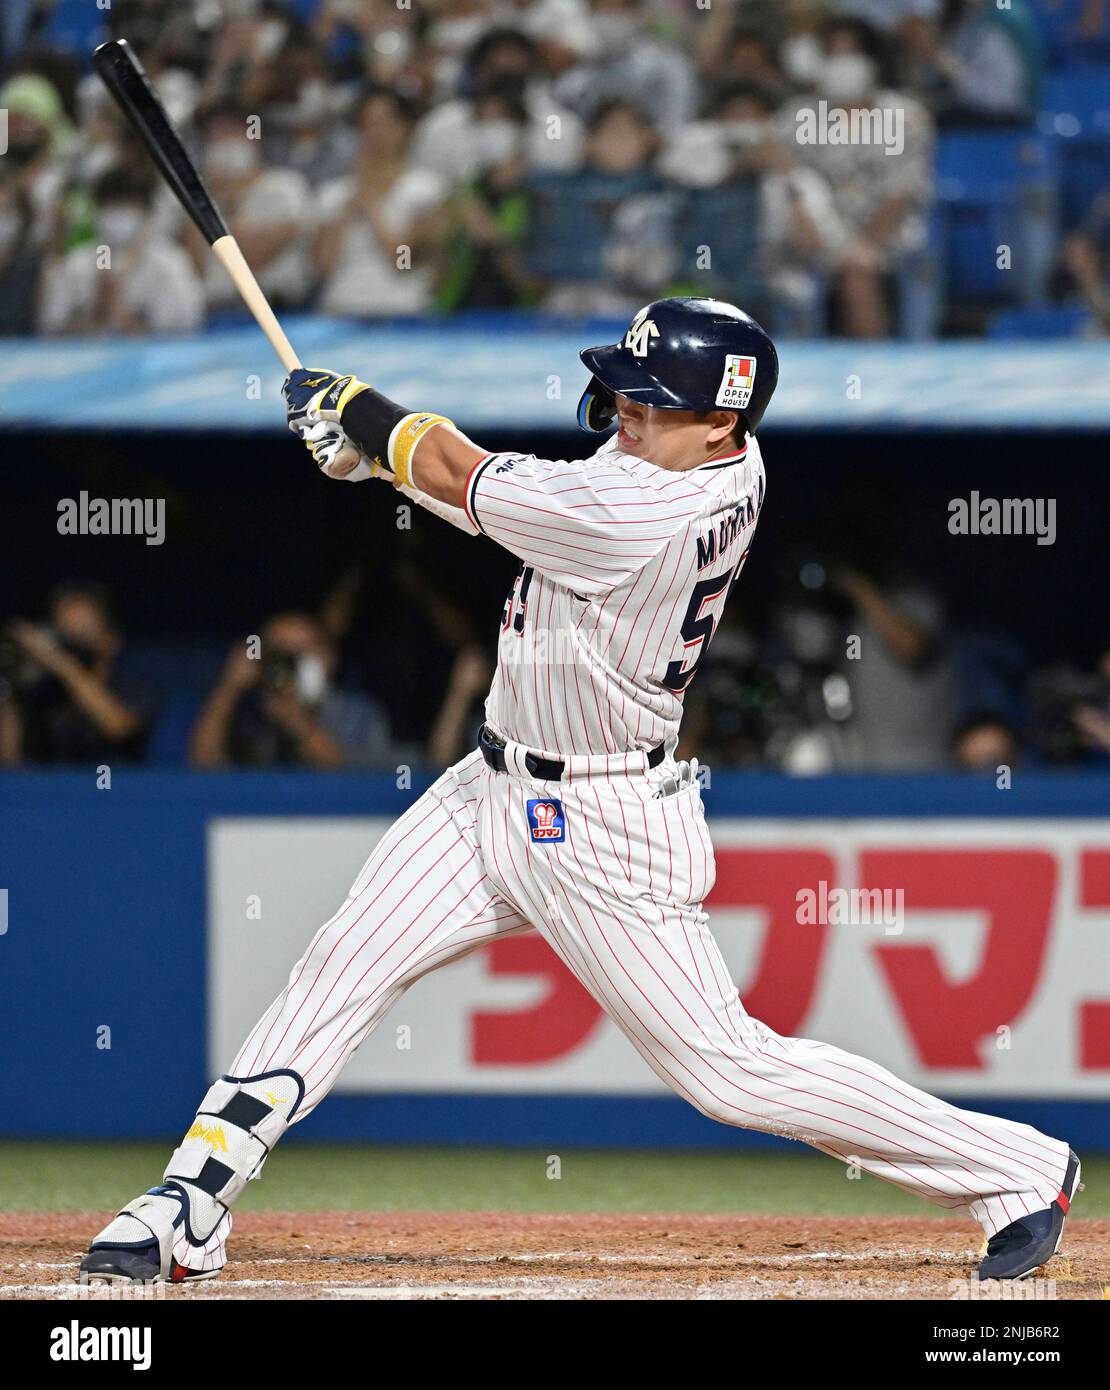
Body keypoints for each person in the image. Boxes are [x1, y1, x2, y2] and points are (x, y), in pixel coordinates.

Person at [81, 298, 1078, 1288]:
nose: (624, 411)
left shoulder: (650, 509)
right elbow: (503, 492)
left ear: (721, 421)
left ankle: (1017, 1169)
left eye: (651, 400)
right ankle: (188, 1201)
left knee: (728, 1071)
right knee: (337, 969)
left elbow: (470, 477)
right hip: (489, 787)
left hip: (602, 824)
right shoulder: (687, 456)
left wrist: (363, 414)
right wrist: (372, 455)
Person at [189, 612, 392, 771]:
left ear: (329, 657)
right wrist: (229, 688)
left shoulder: (357, 713)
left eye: (301, 649)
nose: (289, 661)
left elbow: (356, 782)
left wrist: (296, 721)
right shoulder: (246, 709)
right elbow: (205, 766)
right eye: (280, 651)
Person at [0, 583, 150, 766]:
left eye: (81, 631)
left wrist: (59, 662)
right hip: (50, 791)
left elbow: (117, 726)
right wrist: (9, 684)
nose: (68, 641)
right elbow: (10, 761)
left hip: (116, 789)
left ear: (111, 641)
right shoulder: (43, 692)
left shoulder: (134, 683)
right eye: (61, 632)